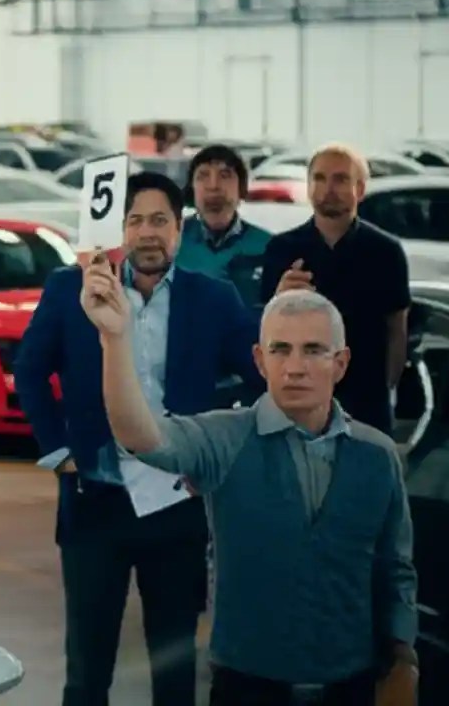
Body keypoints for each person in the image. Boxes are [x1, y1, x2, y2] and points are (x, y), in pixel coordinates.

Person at [84, 260, 420, 706]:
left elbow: (395, 567)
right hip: (249, 686)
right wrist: (114, 338)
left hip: (353, 684)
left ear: (340, 363)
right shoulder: (225, 439)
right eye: (280, 349)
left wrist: (403, 658)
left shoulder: (377, 455)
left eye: (313, 350)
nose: (295, 367)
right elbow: (141, 435)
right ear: (260, 360)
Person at [14, 172, 264, 706]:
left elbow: (259, 375)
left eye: (160, 221)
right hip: (94, 505)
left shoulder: (214, 299)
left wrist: (222, 455)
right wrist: (58, 451)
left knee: (174, 670)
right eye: (135, 221)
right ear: (118, 229)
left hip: (177, 505)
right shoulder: (71, 289)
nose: (148, 233)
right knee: (87, 670)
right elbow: (30, 371)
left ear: (180, 229)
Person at [259, 142, 410, 435]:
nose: (328, 188)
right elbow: (266, 332)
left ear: (360, 189)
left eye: (341, 179)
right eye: (319, 178)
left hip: (366, 404)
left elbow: (397, 331)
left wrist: (386, 390)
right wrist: (279, 299)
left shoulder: (385, 252)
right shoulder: (282, 249)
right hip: (298, 399)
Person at [176, 144, 270, 308]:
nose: (213, 186)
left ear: (241, 188)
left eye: (225, 175)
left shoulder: (268, 246)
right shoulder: (172, 240)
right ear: (192, 188)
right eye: (203, 175)